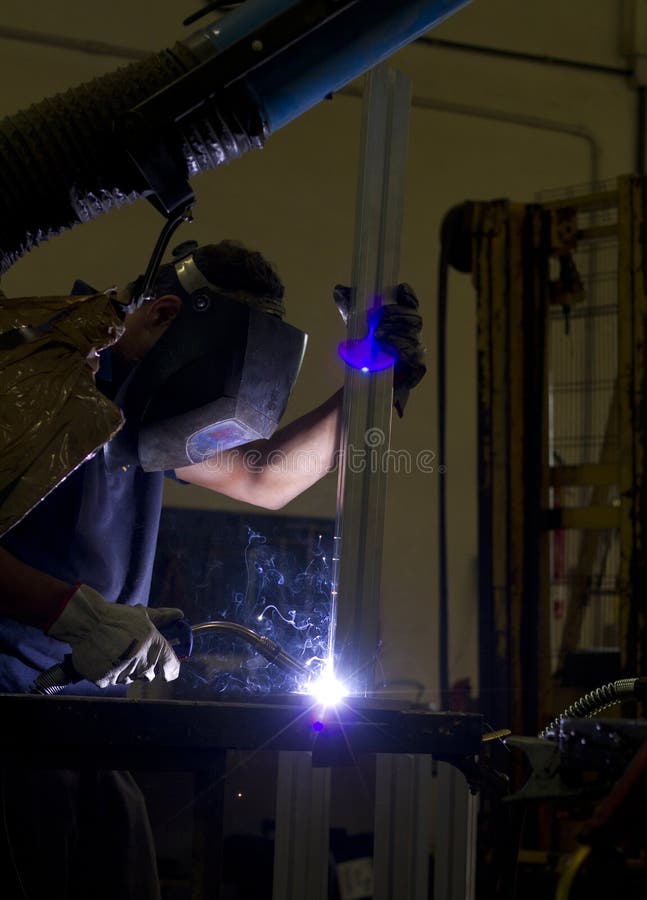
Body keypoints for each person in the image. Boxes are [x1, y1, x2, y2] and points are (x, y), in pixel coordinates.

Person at [0, 238, 425, 898]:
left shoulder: (139, 401)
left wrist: (370, 384)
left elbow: (264, 478)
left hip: (79, 724)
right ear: (164, 315)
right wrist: (76, 615)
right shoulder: (40, 374)